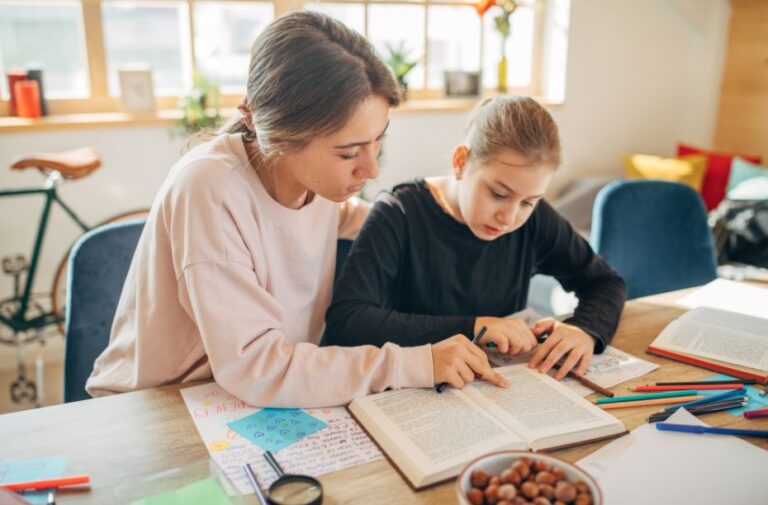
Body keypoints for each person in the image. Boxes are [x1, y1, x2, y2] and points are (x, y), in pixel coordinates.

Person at [86, 12, 507, 407]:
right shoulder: (209, 189)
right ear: (279, 136)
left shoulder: (319, 187)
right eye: (348, 154)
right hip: (160, 404)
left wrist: (451, 208)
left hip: (248, 394)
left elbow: (373, 220)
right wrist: (415, 362)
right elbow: (258, 367)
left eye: (378, 139)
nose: (371, 167)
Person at [325, 96, 628, 382]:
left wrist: (585, 329)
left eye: (528, 202)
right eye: (498, 194)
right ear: (460, 163)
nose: (509, 218)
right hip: (413, 390)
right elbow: (348, 321)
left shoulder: (534, 220)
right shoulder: (399, 213)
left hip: (497, 388)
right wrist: (475, 327)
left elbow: (605, 281)